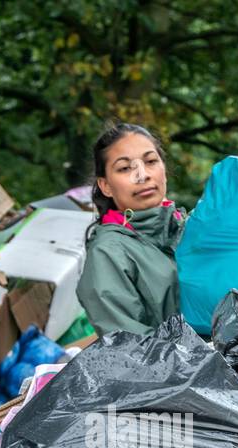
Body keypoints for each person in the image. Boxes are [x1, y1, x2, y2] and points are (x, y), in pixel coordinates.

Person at [76, 123, 186, 336]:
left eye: (151, 161)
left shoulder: (189, 227)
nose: (142, 175)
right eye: (125, 168)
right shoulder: (108, 252)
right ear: (105, 185)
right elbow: (130, 347)